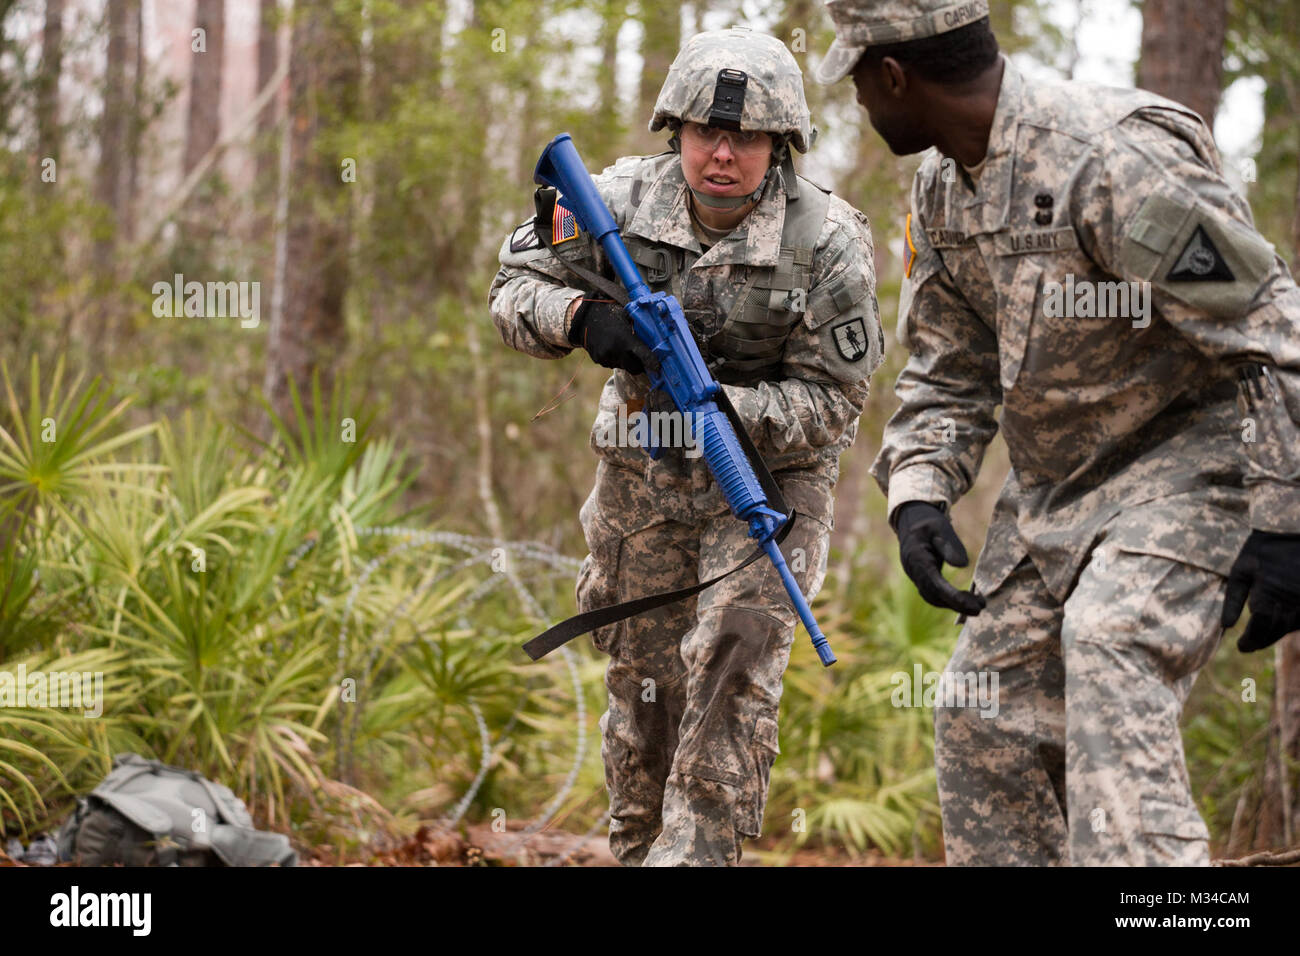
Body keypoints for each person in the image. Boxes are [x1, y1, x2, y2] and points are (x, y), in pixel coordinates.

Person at [817, 0, 1300, 865]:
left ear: (895, 75)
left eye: (857, 76)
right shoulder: (941, 188)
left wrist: (1289, 515)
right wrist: (921, 494)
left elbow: (1272, 330)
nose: (855, 98)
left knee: (1110, 646)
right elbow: (948, 363)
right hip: (1058, 493)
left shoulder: (1109, 156)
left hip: (1192, 464)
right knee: (979, 707)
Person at [488, 27, 883, 866]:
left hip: (768, 488)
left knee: (729, 681)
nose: (724, 153)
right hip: (643, 479)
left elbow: (837, 400)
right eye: (707, 131)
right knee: (646, 703)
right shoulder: (615, 201)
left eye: (746, 136)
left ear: (780, 144)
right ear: (677, 131)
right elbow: (509, 286)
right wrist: (584, 321)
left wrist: (723, 410)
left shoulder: (829, 241)